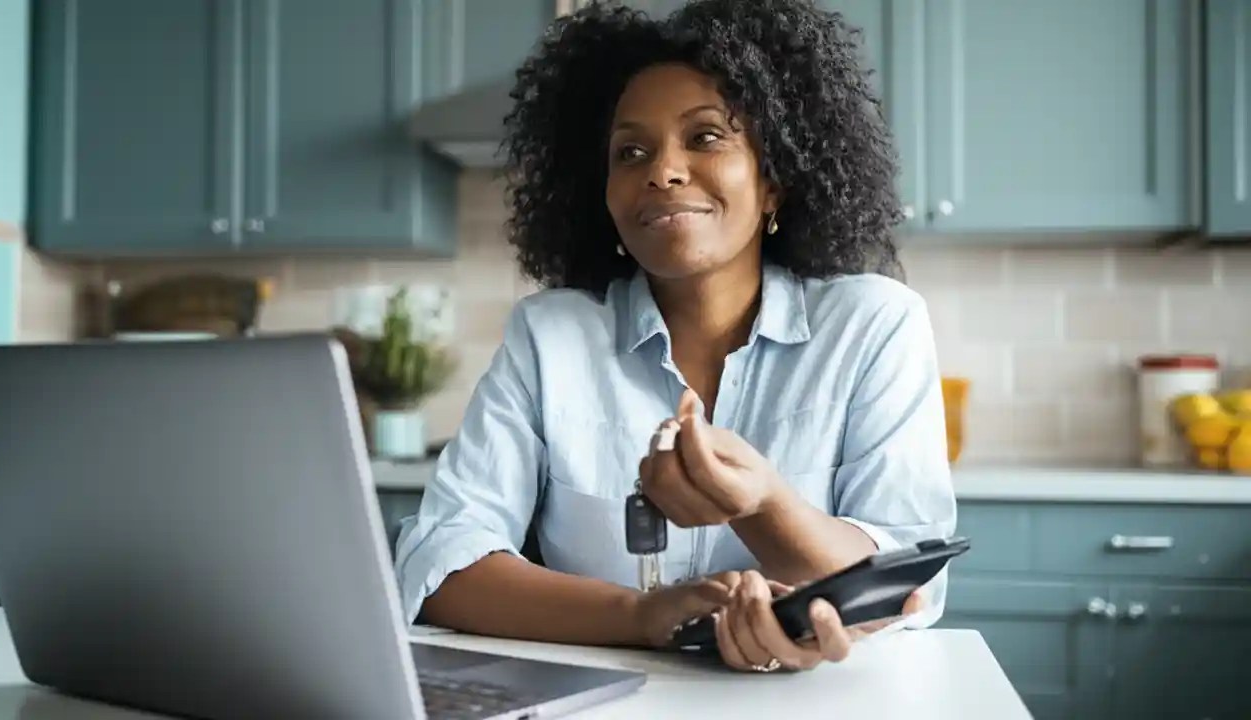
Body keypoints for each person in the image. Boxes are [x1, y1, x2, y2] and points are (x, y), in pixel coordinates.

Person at [394, 0, 956, 673]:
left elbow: (909, 585)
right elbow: (441, 563)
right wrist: (641, 617)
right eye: (630, 151)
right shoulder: (551, 337)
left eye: (707, 137)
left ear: (773, 178)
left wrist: (763, 506)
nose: (662, 170)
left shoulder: (873, 325)